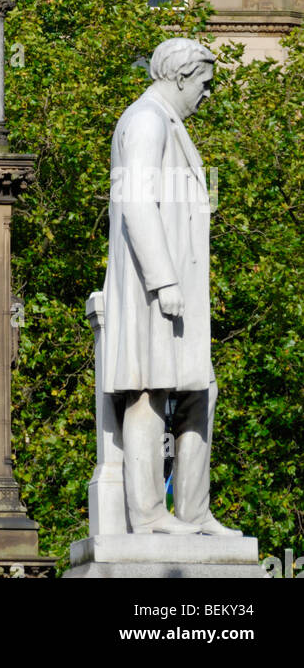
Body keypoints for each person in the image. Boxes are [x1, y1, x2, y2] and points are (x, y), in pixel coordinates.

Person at [103, 37, 241, 536]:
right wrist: (164, 281)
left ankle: (194, 511)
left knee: (200, 389)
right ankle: (148, 514)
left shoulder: (168, 122)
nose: (207, 95)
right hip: (152, 288)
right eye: (203, 85)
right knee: (148, 389)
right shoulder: (146, 120)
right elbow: (138, 203)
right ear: (181, 77)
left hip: (175, 290)